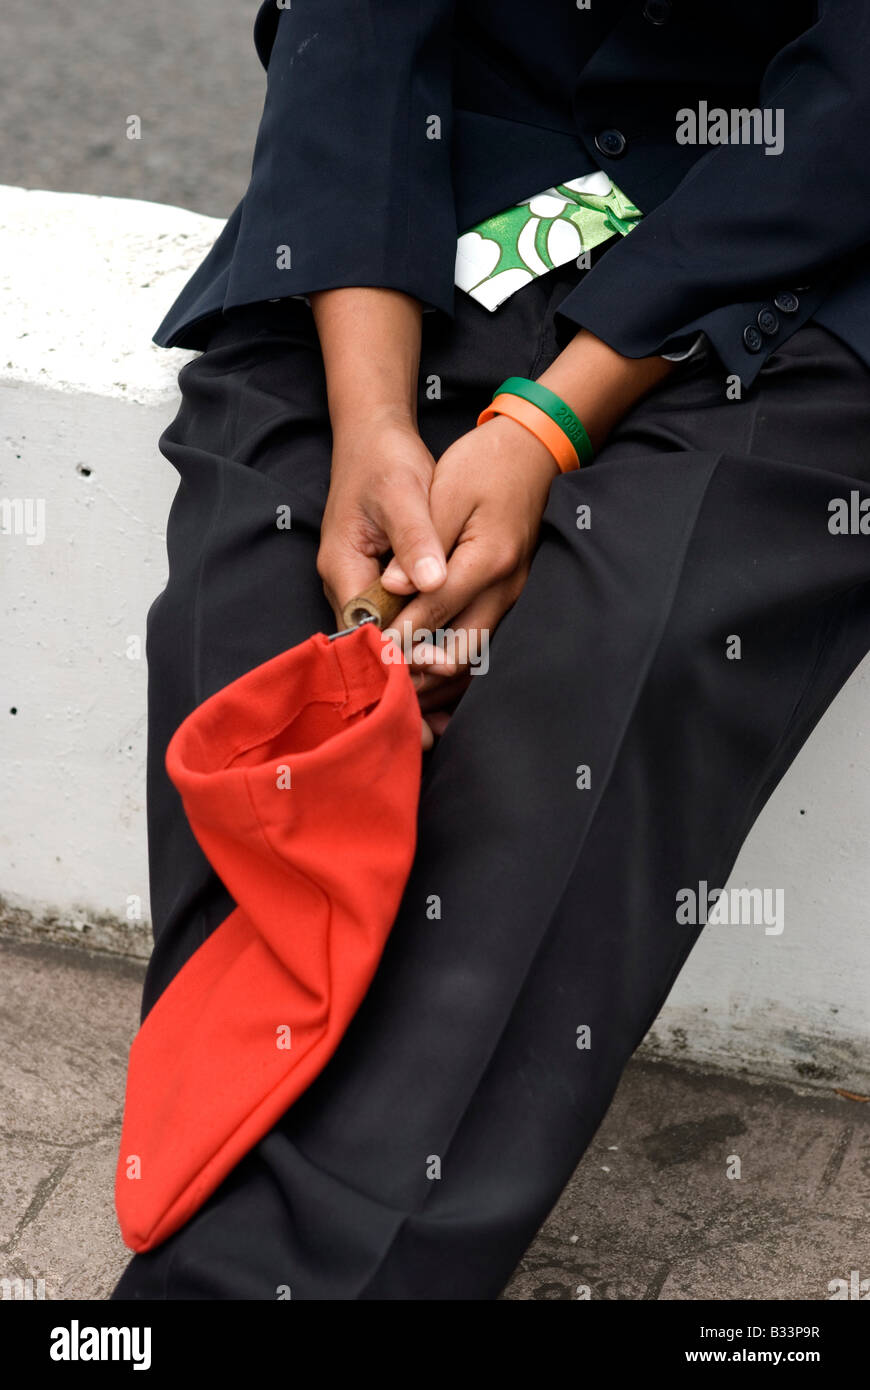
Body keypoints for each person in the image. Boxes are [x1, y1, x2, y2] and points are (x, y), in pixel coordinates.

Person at [112, 0, 870, 1299]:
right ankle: (227, 1214)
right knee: (261, 639)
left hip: (802, 238)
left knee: (600, 669)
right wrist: (367, 419)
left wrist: (537, 430)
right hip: (435, 182)